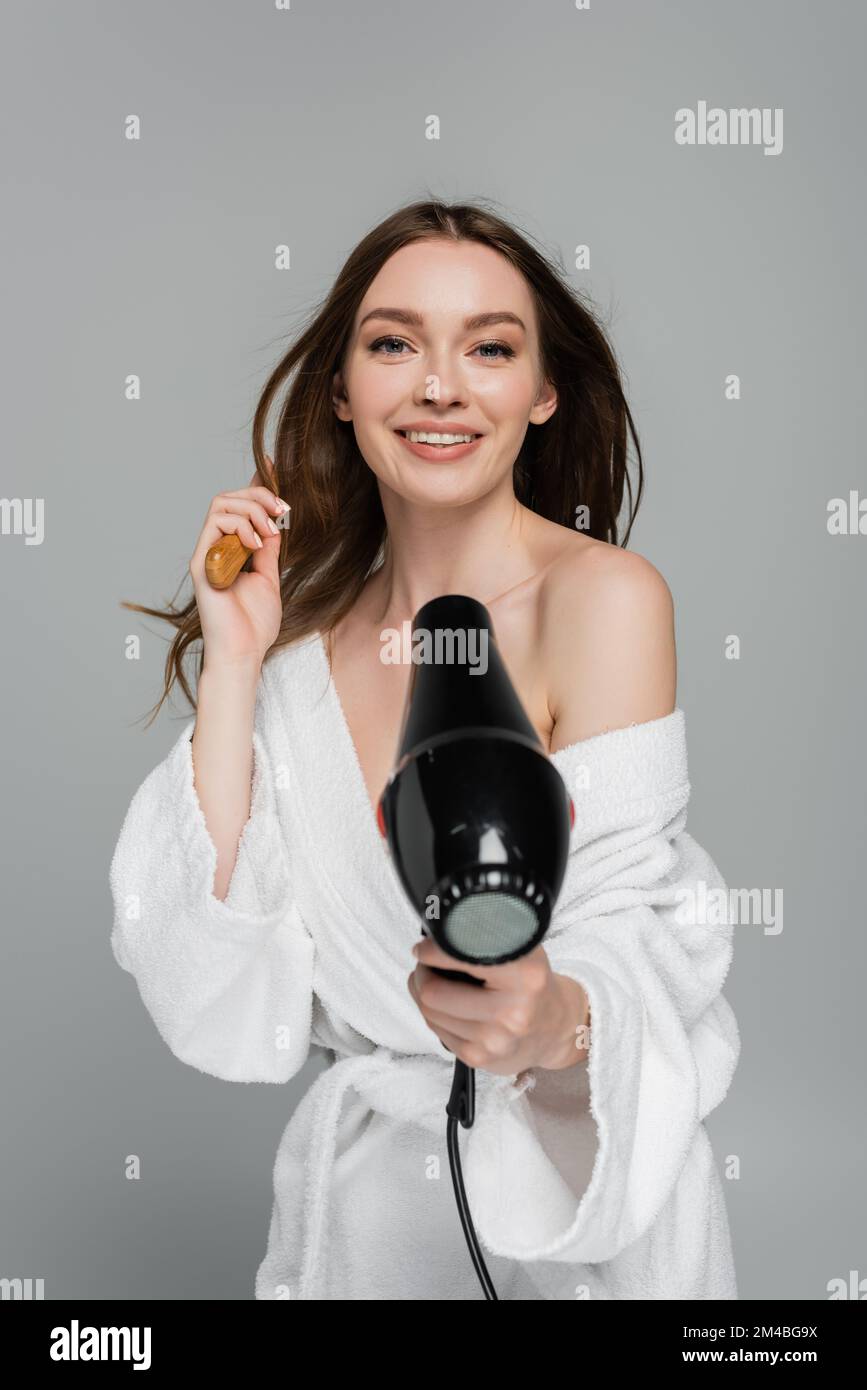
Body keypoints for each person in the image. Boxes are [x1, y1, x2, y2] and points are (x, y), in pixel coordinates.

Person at [109, 199, 740, 1300]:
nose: (440, 385)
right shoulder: (294, 649)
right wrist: (239, 663)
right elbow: (201, 974)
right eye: (394, 342)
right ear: (343, 392)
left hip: (572, 1207)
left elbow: (635, 931)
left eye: (489, 348)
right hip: (364, 1229)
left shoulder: (602, 599)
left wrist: (549, 1020)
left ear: (542, 393)